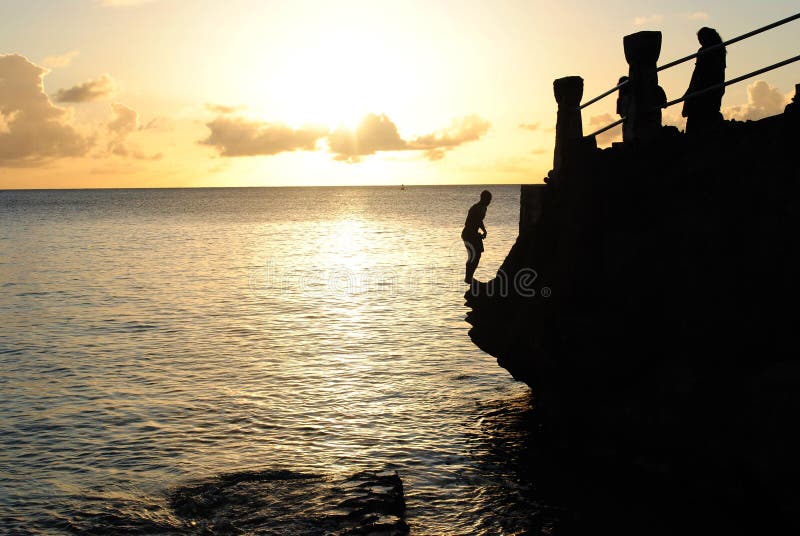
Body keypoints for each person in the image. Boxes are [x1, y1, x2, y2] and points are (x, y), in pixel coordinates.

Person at [682, 27, 726, 134]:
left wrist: (689, 92)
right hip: (716, 88)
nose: (700, 42)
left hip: (702, 89)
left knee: (695, 119)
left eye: (701, 39)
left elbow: (697, 73)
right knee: (710, 115)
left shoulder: (704, 51)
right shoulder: (720, 50)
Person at [462, 190, 491, 283]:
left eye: (490, 200)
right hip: (468, 234)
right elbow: (467, 223)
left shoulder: (484, 208)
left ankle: (470, 277)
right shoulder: (476, 208)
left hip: (474, 234)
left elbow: (479, 221)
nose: (489, 202)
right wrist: (475, 234)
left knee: (478, 254)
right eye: (488, 199)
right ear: (483, 198)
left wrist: (484, 230)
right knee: (473, 255)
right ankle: (468, 278)